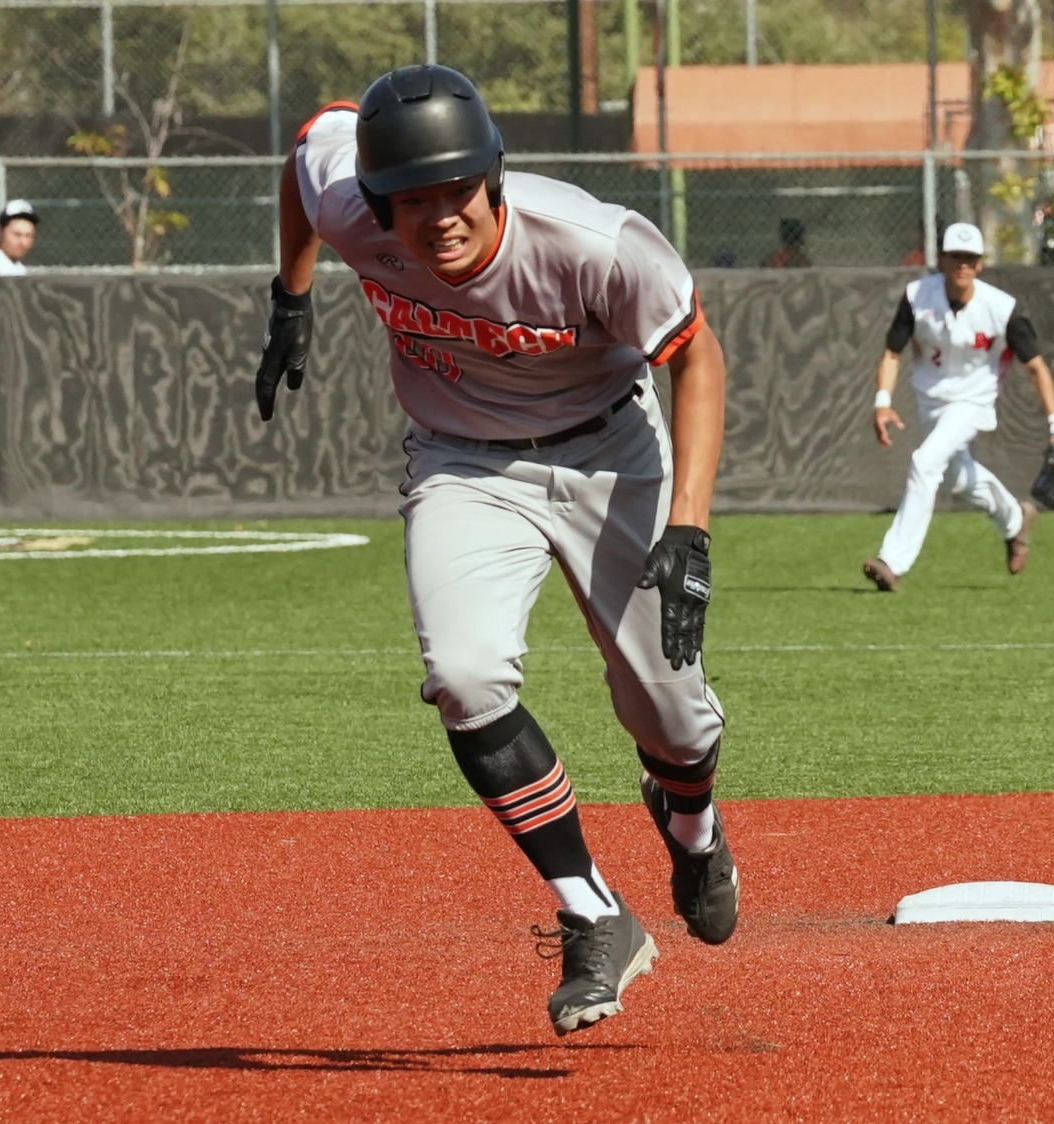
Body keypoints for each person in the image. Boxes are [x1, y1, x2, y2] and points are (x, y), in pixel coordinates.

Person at [253, 64, 737, 1037]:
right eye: (411, 199)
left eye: (456, 190)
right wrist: (291, 293)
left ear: (494, 177)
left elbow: (695, 355)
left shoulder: (592, 243)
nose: (437, 216)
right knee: (465, 676)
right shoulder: (355, 208)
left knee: (670, 713)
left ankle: (692, 828)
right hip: (462, 462)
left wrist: (687, 524)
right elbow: (311, 141)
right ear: (379, 201)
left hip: (611, 452)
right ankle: (592, 910)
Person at [861, 221, 1054, 592]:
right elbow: (891, 353)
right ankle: (1015, 519)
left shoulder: (1002, 308)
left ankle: (892, 561)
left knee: (924, 462)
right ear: (941, 259)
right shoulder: (917, 297)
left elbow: (1036, 367)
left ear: (980, 265)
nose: (962, 264)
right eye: (955, 256)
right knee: (957, 479)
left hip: (973, 402)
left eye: (970, 258)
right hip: (931, 401)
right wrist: (882, 402)